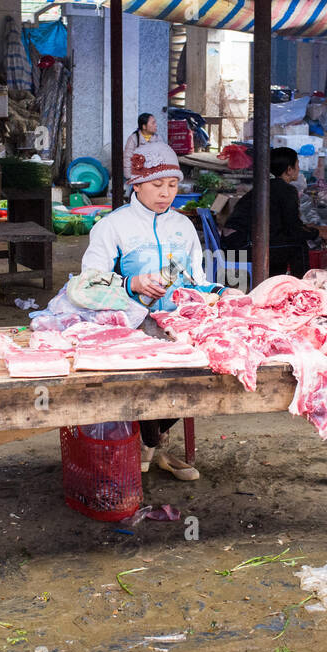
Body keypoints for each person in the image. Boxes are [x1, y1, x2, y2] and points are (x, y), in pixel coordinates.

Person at [80, 141, 222, 480]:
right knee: (144, 386)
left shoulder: (182, 227)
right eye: (157, 185)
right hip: (126, 330)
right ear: (136, 184)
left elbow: (192, 278)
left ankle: (150, 442)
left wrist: (215, 293)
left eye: (172, 185)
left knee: (202, 379)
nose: (166, 193)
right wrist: (131, 284)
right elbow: (87, 286)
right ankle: (148, 443)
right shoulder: (113, 226)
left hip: (176, 326)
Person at [221, 147, 327, 276]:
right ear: (289, 170)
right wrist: (317, 232)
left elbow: (288, 226)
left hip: (232, 245)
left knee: (285, 243)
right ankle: (302, 287)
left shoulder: (268, 186)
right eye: (297, 165)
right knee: (298, 245)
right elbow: (293, 231)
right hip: (242, 248)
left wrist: (315, 229)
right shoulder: (286, 190)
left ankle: (278, 281)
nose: (299, 169)